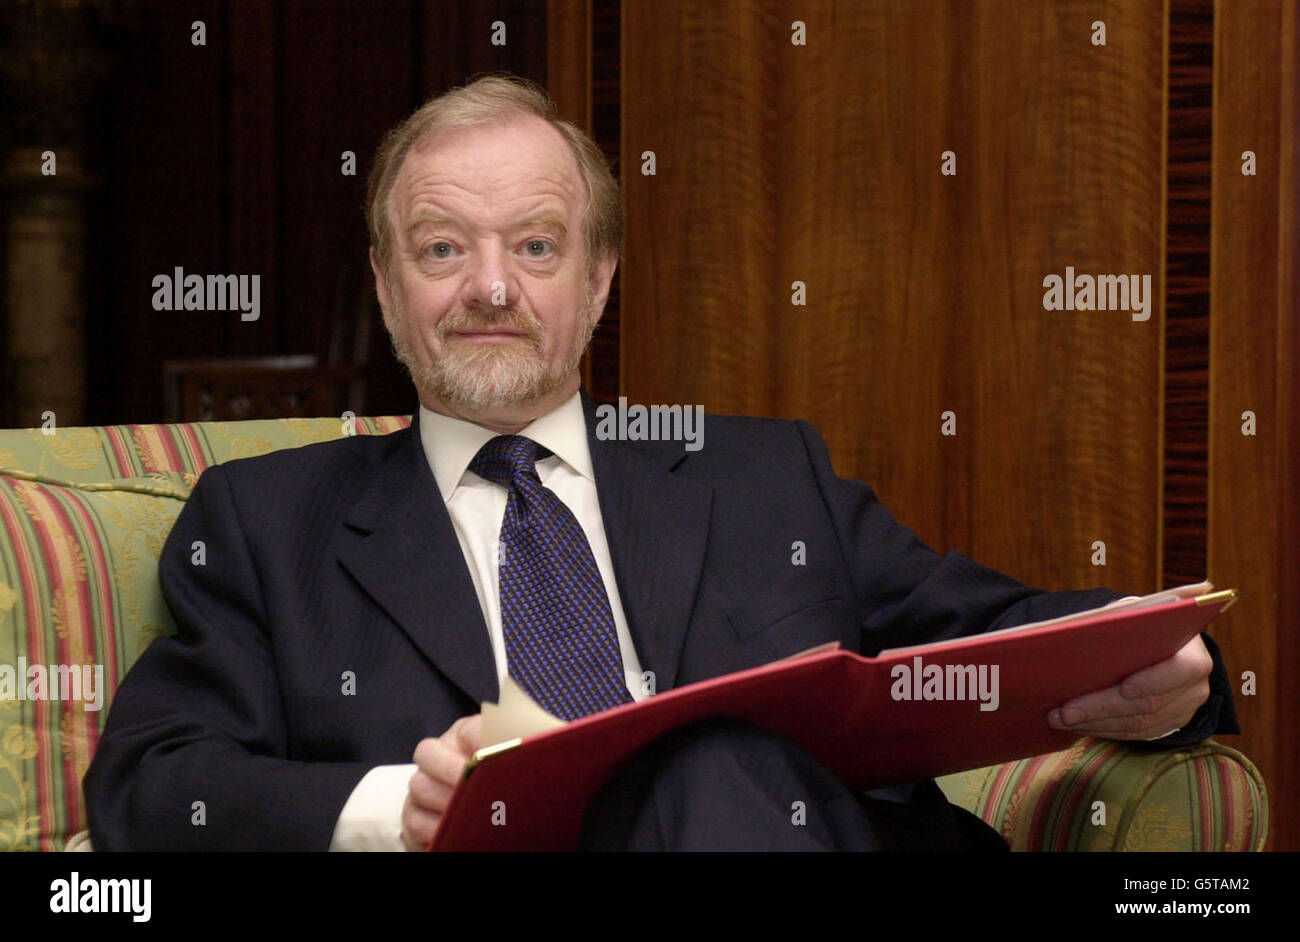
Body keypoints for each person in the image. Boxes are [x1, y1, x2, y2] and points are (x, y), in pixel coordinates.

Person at [83, 75, 1237, 852]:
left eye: (536, 246)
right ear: (387, 289)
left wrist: (1161, 665)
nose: (491, 286)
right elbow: (149, 787)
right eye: (443, 248)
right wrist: (401, 805)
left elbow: (991, 629)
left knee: (711, 762)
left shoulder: (760, 479)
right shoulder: (265, 522)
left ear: (597, 283)